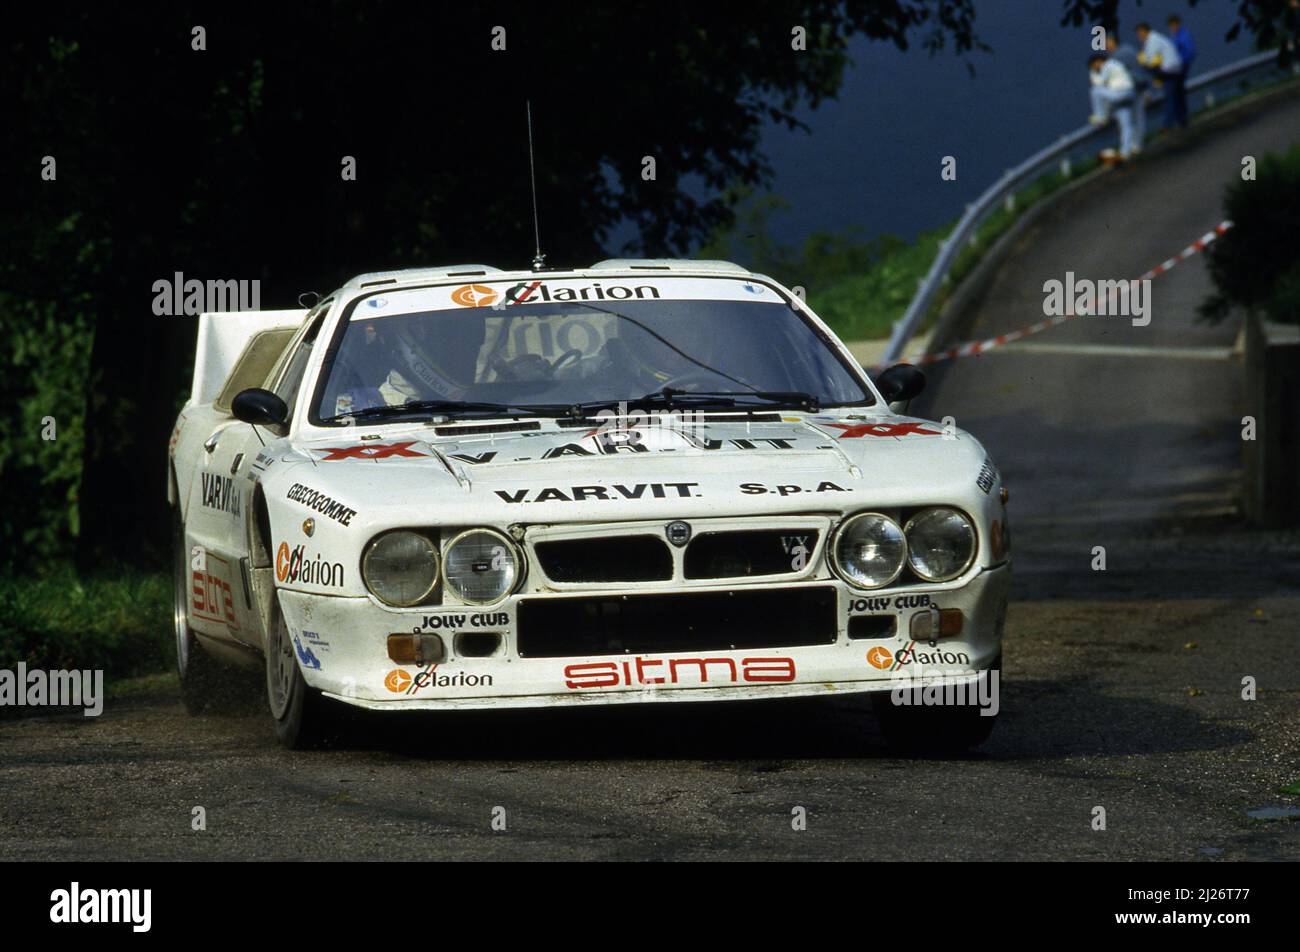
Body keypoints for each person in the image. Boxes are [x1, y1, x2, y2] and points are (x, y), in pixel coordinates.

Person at [1135, 22, 1186, 129]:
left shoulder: (1152, 40)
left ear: (1144, 31)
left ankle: (1168, 124)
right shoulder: (1157, 38)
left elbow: (1149, 60)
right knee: (1177, 96)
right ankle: (1181, 121)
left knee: (1170, 97)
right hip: (1175, 68)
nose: (1138, 37)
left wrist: (1141, 60)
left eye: (1139, 34)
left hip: (1169, 71)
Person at [1088, 53, 1137, 160]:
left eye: (1094, 65)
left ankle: (1101, 117)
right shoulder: (1115, 64)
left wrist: (1092, 74)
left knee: (1095, 91)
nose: (1095, 68)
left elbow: (1099, 83)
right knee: (1126, 125)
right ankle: (1125, 152)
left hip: (1120, 94)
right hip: (1128, 95)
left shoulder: (1107, 65)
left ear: (1098, 61)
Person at [1106, 32, 1147, 152]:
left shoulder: (1116, 56)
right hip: (1139, 86)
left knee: (1131, 118)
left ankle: (1134, 145)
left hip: (1129, 89)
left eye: (1107, 43)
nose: (1106, 46)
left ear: (1113, 42)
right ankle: (1137, 144)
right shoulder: (1129, 49)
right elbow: (1140, 66)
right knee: (1138, 117)